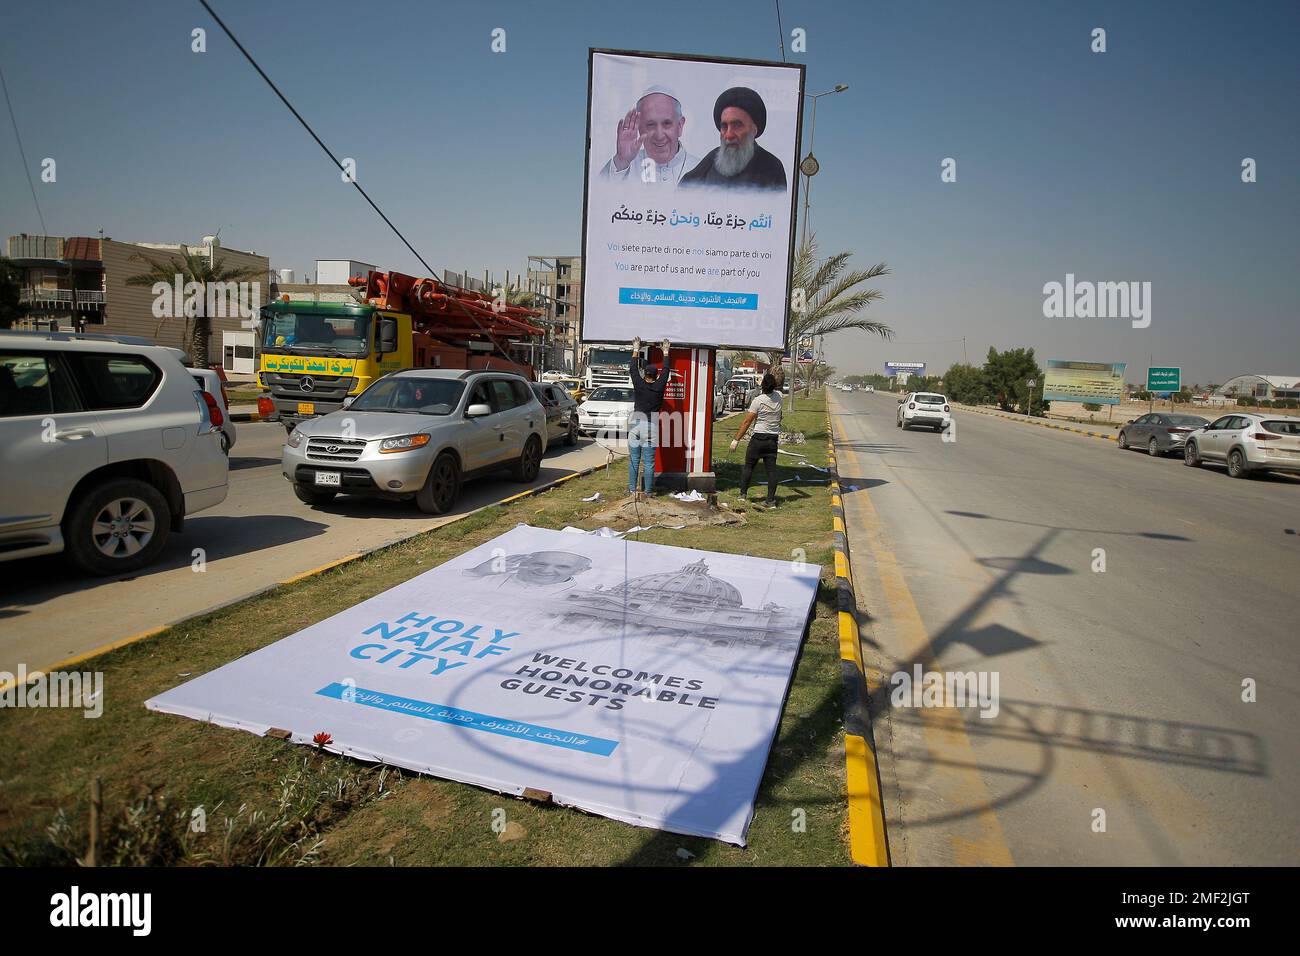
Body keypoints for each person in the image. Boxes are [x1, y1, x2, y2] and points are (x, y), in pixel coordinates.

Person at [679, 87, 787, 191]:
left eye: (737, 125)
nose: (729, 135)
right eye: (724, 126)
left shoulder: (771, 168)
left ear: (754, 130)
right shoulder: (712, 160)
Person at [599, 89, 700, 190]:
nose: (659, 135)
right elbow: (598, 197)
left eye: (667, 124)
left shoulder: (702, 169)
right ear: (639, 128)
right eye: (650, 125)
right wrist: (621, 161)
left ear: (679, 126)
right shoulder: (622, 167)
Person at [730, 372, 783, 507]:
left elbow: (747, 422)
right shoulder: (779, 398)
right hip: (772, 439)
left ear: (763, 386)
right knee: (771, 471)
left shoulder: (758, 401)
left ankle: (743, 495)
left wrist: (736, 440)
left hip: (758, 438)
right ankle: (770, 501)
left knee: (749, 467)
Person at [627, 335, 671, 499]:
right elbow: (666, 371)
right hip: (651, 426)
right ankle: (648, 492)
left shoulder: (639, 383)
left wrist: (636, 349)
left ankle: (632, 490)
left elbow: (632, 368)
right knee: (649, 462)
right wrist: (665, 352)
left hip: (636, 424)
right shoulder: (659, 385)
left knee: (634, 460)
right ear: (656, 375)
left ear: (645, 374)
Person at [462, 550, 593, 595]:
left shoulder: (581, 596)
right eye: (540, 564)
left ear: (580, 570)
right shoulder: (490, 577)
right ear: (524, 562)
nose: (546, 570)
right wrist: (476, 572)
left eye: (562, 567)